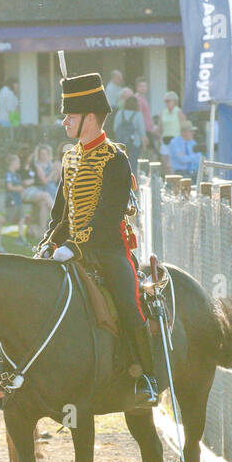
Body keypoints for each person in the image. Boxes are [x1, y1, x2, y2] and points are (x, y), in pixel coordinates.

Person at [39, 71, 158, 407]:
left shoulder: (114, 159)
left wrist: (75, 246)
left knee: (128, 303)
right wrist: (51, 241)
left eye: (70, 116)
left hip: (107, 250)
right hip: (67, 249)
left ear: (89, 118)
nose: (64, 122)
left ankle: (145, 379)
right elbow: (61, 212)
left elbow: (107, 217)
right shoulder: (70, 157)